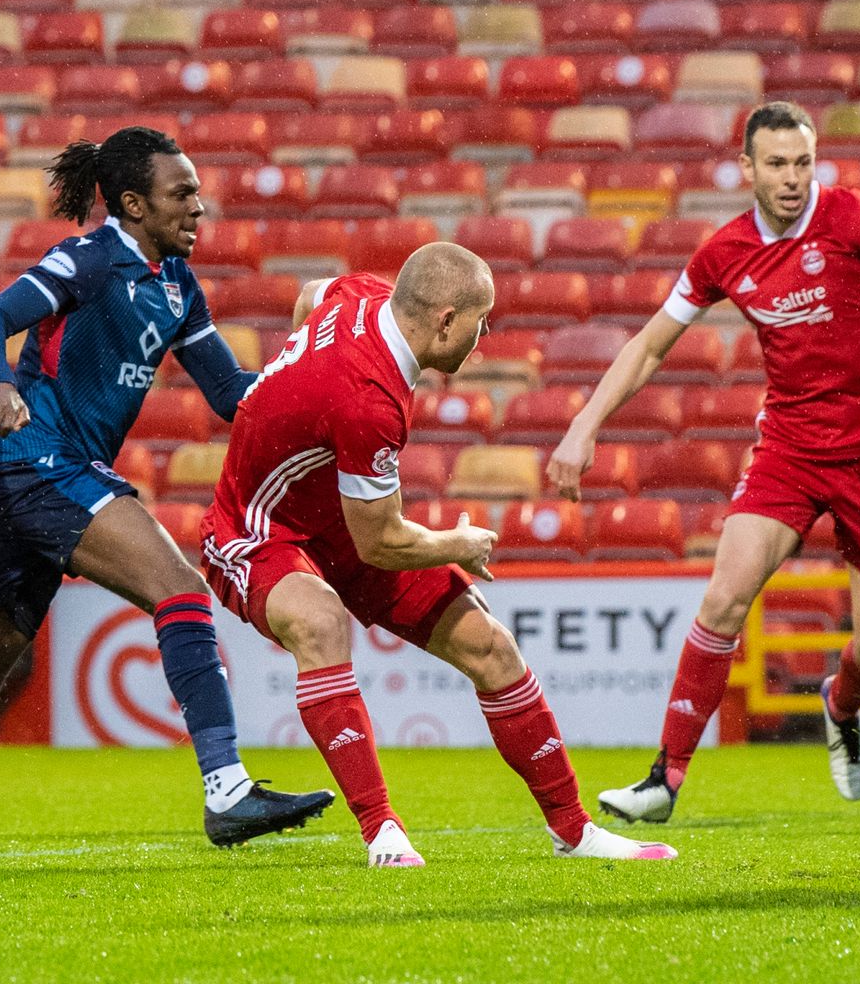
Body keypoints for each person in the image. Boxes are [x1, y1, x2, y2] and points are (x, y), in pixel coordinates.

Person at [0, 127, 331, 844]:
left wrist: (314, 373)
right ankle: (227, 791)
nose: (199, 207)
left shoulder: (177, 288)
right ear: (133, 203)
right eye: (182, 193)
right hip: (36, 459)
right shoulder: (90, 260)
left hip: (39, 480)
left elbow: (232, 396)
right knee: (183, 590)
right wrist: (0, 382)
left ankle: (228, 793)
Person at [553, 103, 860, 823]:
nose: (791, 178)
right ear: (747, 168)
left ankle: (839, 708)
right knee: (724, 596)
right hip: (789, 447)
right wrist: (584, 426)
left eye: (802, 163)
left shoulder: (854, 217)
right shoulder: (724, 252)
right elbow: (652, 344)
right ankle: (666, 778)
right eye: (776, 164)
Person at [201, 244, 669, 868]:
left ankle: (574, 831)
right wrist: (460, 543)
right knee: (320, 623)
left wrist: (293, 387)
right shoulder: (367, 397)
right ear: (446, 319)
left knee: (491, 647)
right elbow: (382, 542)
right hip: (256, 532)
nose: (484, 338)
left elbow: (313, 292)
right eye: (480, 321)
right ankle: (382, 832)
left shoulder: (364, 294)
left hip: (337, 521)